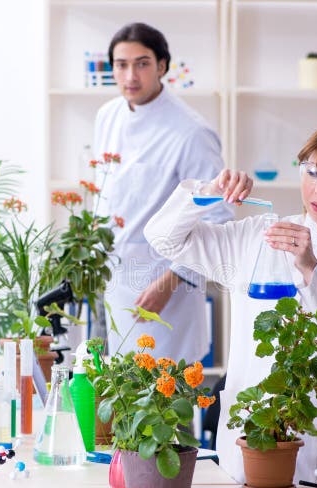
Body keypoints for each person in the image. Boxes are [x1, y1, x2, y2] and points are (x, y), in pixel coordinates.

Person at [143, 119, 317, 483]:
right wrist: (210, 191)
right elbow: (163, 238)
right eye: (311, 171)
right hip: (245, 443)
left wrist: (311, 268)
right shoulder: (257, 234)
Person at [94, 22, 232, 361]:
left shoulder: (191, 132)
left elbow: (216, 219)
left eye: (141, 63)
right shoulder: (107, 116)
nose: (130, 76)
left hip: (163, 291)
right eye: (121, 65)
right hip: (113, 282)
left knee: (166, 400)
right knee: (113, 399)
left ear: (162, 66)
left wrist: (169, 282)